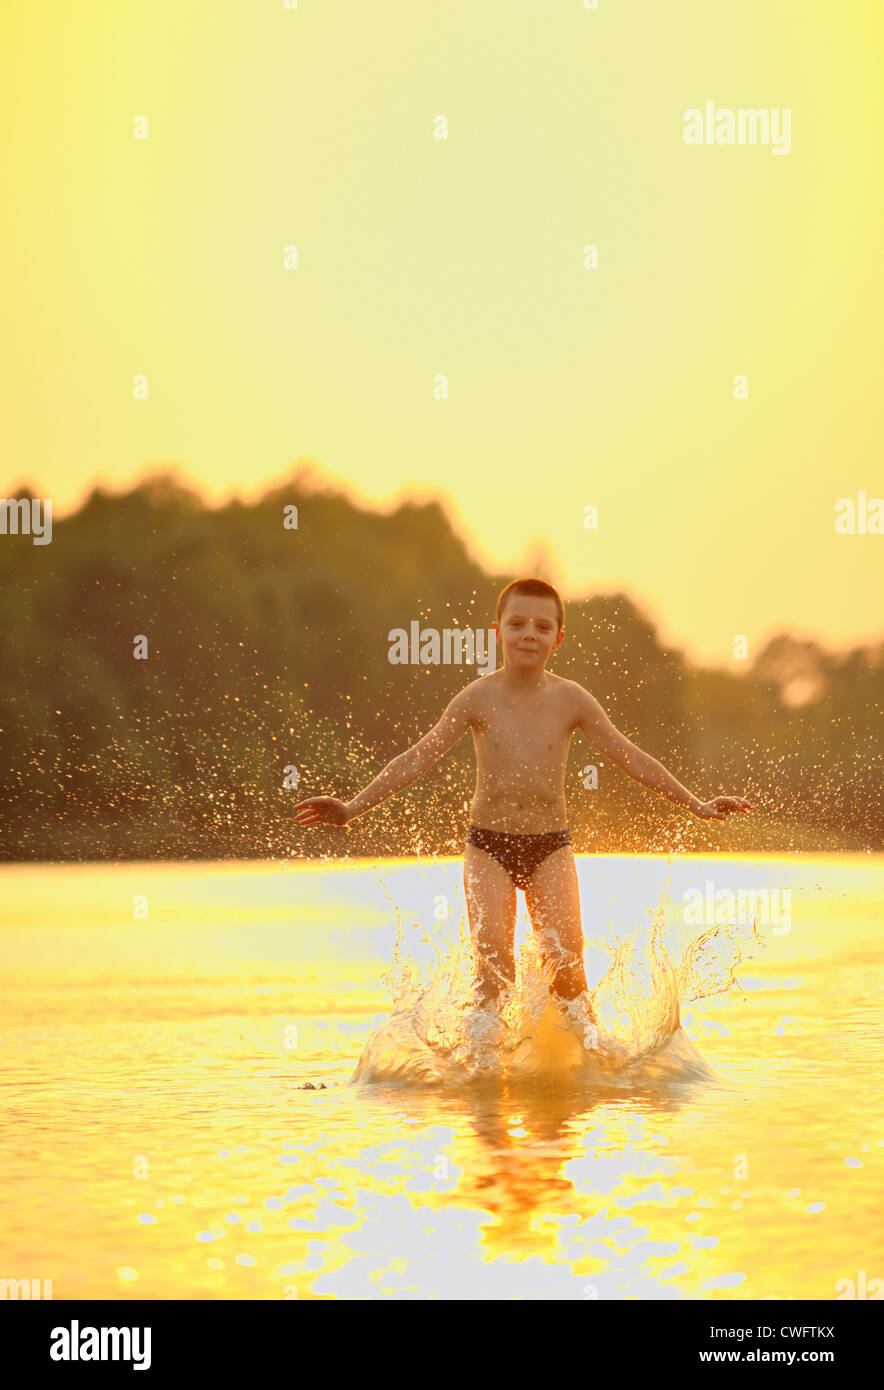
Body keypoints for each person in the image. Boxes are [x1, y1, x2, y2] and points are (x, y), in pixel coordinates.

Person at [292, 578, 752, 1054]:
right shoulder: (477, 697)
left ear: (558, 637)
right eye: (517, 624)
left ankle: (587, 1064)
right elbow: (418, 756)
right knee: (493, 971)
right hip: (487, 846)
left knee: (569, 973)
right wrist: (351, 808)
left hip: (550, 847)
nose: (528, 633)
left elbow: (631, 757)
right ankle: (484, 1066)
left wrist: (695, 804)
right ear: (497, 632)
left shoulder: (572, 700)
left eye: (541, 625)